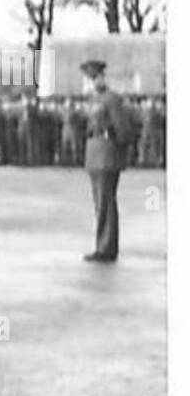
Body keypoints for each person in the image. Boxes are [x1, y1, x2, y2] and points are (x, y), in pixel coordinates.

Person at [80, 59, 132, 262]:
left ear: (101, 77)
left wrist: (119, 150)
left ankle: (107, 248)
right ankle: (103, 244)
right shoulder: (93, 100)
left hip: (106, 155)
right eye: (89, 79)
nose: (91, 82)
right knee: (100, 204)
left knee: (105, 203)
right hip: (94, 155)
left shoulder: (112, 99)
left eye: (94, 78)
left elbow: (123, 130)